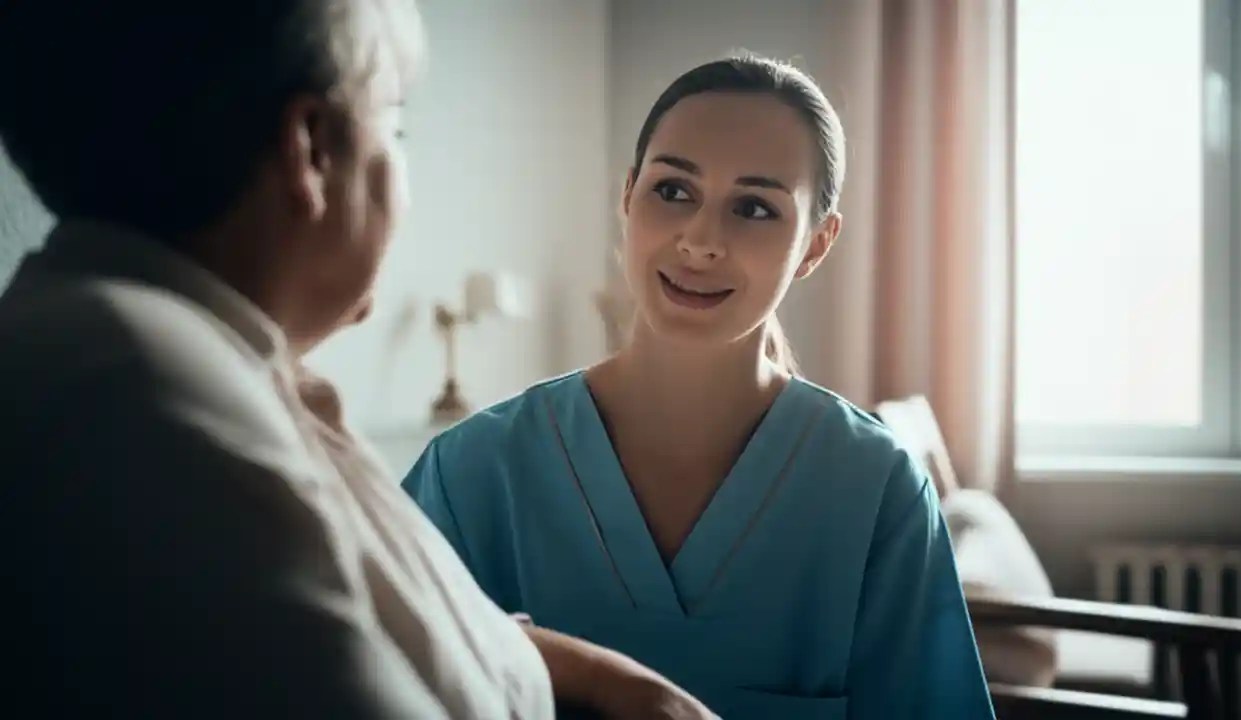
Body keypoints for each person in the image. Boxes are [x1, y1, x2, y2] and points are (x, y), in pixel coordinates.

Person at [0, 2, 715, 718]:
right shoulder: (139, 403)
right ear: (311, 150)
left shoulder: (193, 365)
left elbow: (419, 626)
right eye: (394, 127)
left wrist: (615, 683)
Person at [403, 55, 997, 719]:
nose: (702, 241)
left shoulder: (876, 490)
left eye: (754, 208)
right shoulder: (471, 476)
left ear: (816, 245)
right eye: (673, 191)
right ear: (627, 197)